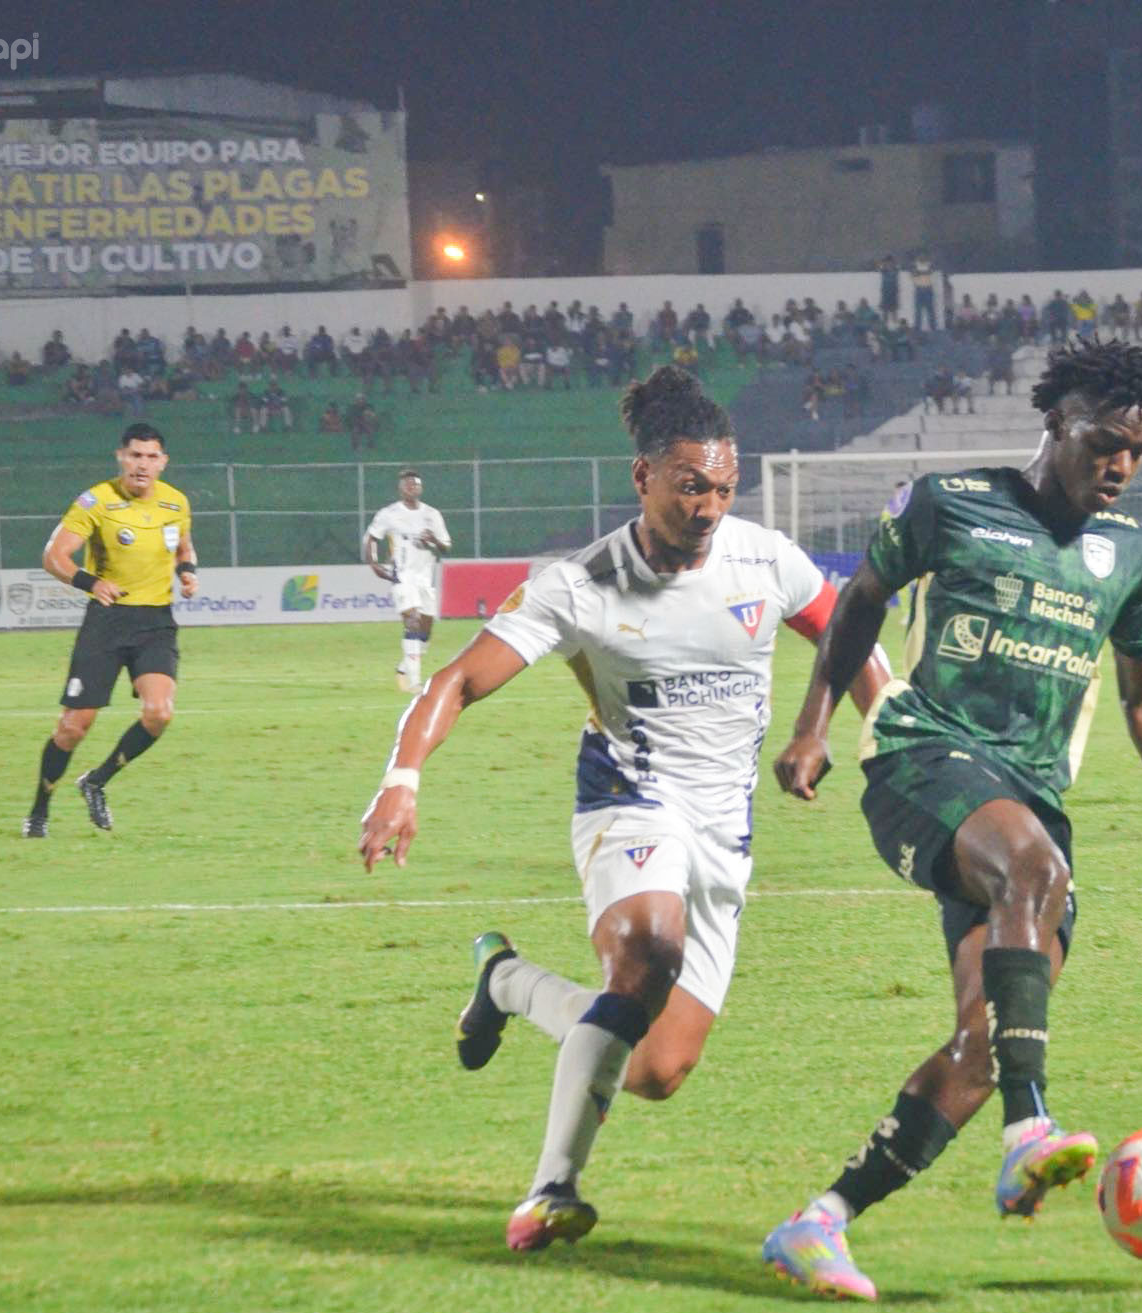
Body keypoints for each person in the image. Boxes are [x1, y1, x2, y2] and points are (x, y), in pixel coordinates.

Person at [355, 368, 887, 1254]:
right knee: (647, 951)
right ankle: (550, 1188)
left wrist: (879, 724)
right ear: (642, 477)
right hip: (629, 802)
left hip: (725, 832)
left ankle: (508, 983)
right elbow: (455, 680)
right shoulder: (580, 585)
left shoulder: (765, 559)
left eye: (722, 487)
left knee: (652, 1068)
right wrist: (400, 779)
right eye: (689, 486)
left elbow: (846, 633)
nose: (710, 506)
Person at [762, 340, 1142, 1301]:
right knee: (1035, 875)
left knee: (983, 1043)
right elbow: (858, 605)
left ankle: (817, 1222)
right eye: (1106, 443)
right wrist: (813, 727)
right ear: (1056, 422)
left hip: (1031, 797)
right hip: (920, 754)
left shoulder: (1130, 556)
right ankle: (1030, 1127)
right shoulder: (948, 503)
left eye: (1137, 454)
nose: (1120, 466)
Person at [22, 423, 197, 837]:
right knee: (73, 727)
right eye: (135, 455)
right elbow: (54, 556)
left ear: (163, 462)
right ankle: (39, 811)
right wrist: (91, 582)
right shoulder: (95, 501)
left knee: (159, 713)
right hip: (107, 622)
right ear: (121, 457)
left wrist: (187, 572)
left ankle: (96, 781)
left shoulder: (176, 502)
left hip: (155, 622)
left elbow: (184, 546)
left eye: (152, 457)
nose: (143, 464)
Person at [362, 471, 453, 693]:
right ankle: (414, 683)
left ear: (421, 488)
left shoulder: (432, 514)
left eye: (416, 484)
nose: (412, 487)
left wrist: (433, 540)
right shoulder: (389, 514)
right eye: (408, 484)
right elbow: (372, 537)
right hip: (402, 577)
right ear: (400, 488)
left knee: (425, 632)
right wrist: (374, 564)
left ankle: (403, 669)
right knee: (411, 620)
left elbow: (446, 545)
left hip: (425, 579)